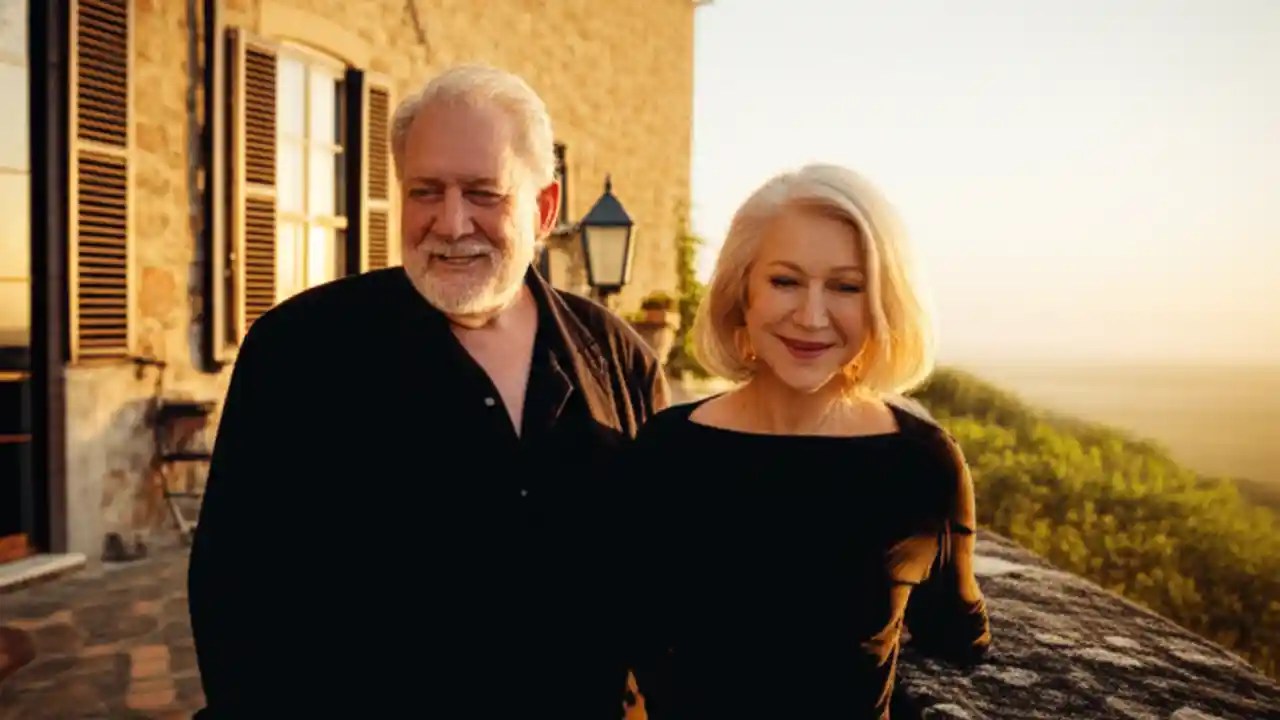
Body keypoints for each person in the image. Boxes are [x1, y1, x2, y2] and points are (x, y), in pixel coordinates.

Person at [188, 64, 669, 718]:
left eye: (482, 192)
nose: (450, 222)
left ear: (544, 208)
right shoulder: (298, 355)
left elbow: (661, 591)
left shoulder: (621, 365)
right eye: (425, 191)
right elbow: (236, 600)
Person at [624, 164, 992, 719]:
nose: (811, 315)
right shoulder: (666, 452)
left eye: (845, 286)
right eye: (785, 281)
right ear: (741, 289)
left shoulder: (923, 465)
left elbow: (955, 636)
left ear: (881, 307)